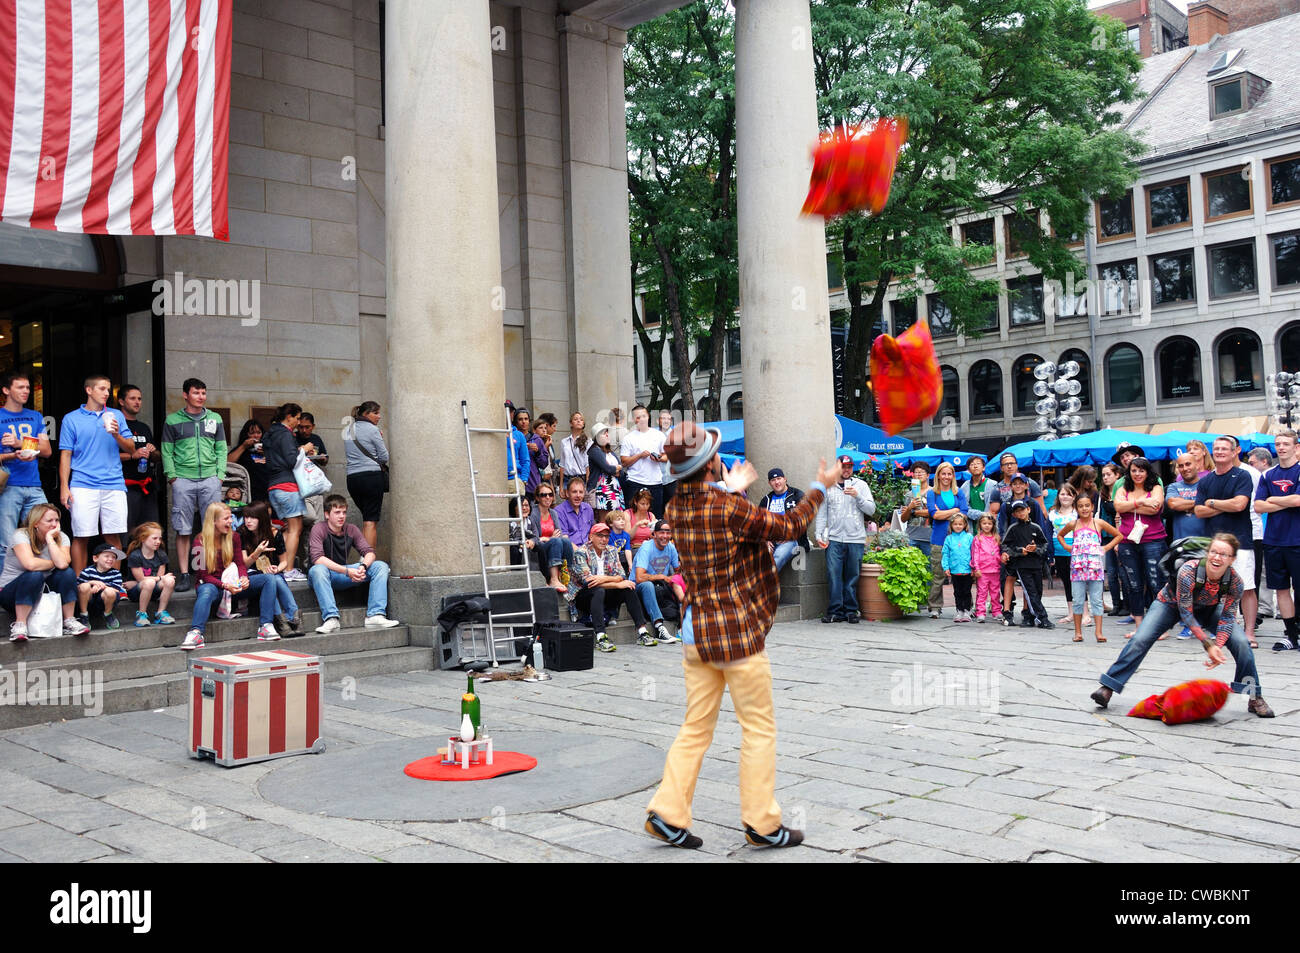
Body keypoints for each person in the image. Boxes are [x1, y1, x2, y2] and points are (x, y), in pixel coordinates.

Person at [643, 423, 835, 851]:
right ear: (709, 464)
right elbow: (788, 525)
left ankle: (667, 812)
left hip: (696, 631)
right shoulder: (727, 507)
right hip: (736, 634)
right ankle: (762, 823)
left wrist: (730, 490)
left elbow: (717, 517)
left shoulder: (675, 508)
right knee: (758, 728)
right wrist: (818, 488)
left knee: (695, 727)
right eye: (715, 453)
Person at [1090, 533, 1274, 718]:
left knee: (1242, 643)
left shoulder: (1235, 582)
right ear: (1207, 553)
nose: (1217, 558)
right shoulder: (1188, 571)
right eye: (1214, 552)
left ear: (1232, 559)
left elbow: (1227, 617)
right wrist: (1207, 644)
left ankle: (1254, 696)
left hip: (1209, 609)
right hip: (1170, 605)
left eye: (1224, 554)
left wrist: (1218, 646)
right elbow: (1186, 612)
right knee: (1140, 639)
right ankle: (1108, 687)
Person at [59, 375, 136, 577]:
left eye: (108, 389)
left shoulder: (116, 415)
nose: (106, 393)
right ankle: (78, 582)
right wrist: (64, 487)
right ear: (89, 390)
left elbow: (131, 448)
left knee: (113, 535)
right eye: (102, 389)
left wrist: (116, 434)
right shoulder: (71, 418)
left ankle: (115, 582)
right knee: (82, 535)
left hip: (114, 483)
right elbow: (65, 454)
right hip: (82, 483)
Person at [180, 502, 279, 649]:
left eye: (230, 518)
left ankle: (265, 625)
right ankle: (196, 632)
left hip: (233, 584)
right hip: (213, 586)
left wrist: (244, 577)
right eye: (226, 518)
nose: (231, 521)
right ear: (214, 521)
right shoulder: (198, 541)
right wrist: (225, 586)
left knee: (269, 579)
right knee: (206, 590)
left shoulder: (235, 537)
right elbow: (201, 575)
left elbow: (240, 564)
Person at [161, 378, 227, 592]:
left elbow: (221, 448)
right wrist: (172, 477)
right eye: (196, 393)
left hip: (210, 478)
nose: (201, 397)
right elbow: (166, 451)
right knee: (183, 529)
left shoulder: (214, 418)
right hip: (183, 479)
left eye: (203, 393)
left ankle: (210, 571)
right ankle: (185, 574)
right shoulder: (172, 421)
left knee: (214, 527)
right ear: (185, 395)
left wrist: (220, 475)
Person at [1194, 436, 1258, 649]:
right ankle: (1224, 630)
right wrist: (1224, 505)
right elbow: (1198, 511)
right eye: (1217, 448)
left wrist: (1211, 502)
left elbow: (1240, 505)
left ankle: (1249, 633)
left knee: (1246, 587)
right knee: (1217, 589)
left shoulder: (1243, 476)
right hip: (1214, 543)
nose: (1220, 452)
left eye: (1224, 449)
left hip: (1241, 541)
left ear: (1234, 452)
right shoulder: (1205, 481)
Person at [308, 494, 400, 632]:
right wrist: (346, 571)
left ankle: (375, 615)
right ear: (327, 515)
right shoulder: (318, 529)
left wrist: (362, 567)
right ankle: (331, 619)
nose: (341, 516)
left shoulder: (351, 529)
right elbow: (318, 559)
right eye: (337, 512)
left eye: (344, 512)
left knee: (380, 566)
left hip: (345, 573)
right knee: (318, 569)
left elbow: (369, 552)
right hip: (325, 575)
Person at [0, 503, 87, 640]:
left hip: (43, 589)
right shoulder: (21, 535)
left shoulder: (61, 537)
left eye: (57, 520)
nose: (54, 524)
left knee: (67, 573)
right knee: (34, 575)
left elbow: (64, 565)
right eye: (49, 521)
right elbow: (30, 564)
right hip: (12, 592)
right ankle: (20, 625)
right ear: (36, 523)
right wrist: (54, 563)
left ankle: (69, 620)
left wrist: (50, 540)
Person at [565, 522, 653, 651]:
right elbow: (589, 582)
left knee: (628, 587)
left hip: (604, 592)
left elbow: (621, 575)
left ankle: (642, 632)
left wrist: (604, 578)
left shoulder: (611, 550)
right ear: (591, 537)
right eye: (600, 535)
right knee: (599, 590)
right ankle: (601, 636)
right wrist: (617, 584)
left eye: (606, 536)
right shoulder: (581, 553)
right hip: (583, 597)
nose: (604, 539)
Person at [814, 454, 876, 624]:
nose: (846, 470)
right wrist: (818, 534)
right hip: (834, 538)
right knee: (833, 575)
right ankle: (835, 611)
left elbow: (871, 509)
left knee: (852, 575)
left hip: (855, 538)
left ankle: (850, 610)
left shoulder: (861, 485)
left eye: (849, 467)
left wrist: (858, 496)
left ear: (852, 468)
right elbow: (822, 512)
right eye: (843, 467)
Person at [1254, 429, 1300, 652]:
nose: (1281, 447)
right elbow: (1258, 505)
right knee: (1281, 590)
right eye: (1278, 444)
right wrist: (1285, 501)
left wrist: (1274, 499)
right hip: (1273, 540)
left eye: (1286, 444)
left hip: (1297, 539)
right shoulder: (1268, 475)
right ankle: (1291, 635)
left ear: (1296, 447)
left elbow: (1299, 500)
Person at [1114, 456, 1168, 638]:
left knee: (1156, 583)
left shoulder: (1156, 487)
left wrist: (1129, 507)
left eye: (1141, 470)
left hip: (1153, 541)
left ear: (1148, 472)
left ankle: (1160, 627)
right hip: (1127, 542)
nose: (1137, 474)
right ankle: (1139, 626)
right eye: (1134, 470)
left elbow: (1156, 508)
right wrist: (1143, 502)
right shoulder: (1123, 488)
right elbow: (1118, 506)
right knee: (1134, 585)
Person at [263, 403, 316, 581]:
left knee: (287, 528)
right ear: (289, 417)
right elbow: (292, 460)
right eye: (298, 418)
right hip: (287, 486)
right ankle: (288, 570)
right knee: (296, 528)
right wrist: (305, 449)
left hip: (274, 487)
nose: (299, 422)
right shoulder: (285, 433)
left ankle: (282, 566)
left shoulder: (270, 432)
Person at [0, 371, 50, 558]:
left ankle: (42, 583)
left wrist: (19, 443)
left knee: (47, 536)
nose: (26, 391)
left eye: (28, 387)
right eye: (20, 387)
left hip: (34, 485)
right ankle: (5, 586)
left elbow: (46, 450)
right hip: (7, 486)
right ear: (6, 390)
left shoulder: (35, 416)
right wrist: (13, 455)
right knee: (6, 544)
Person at [1057, 494, 1119, 643]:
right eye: (1080, 506)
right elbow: (1060, 535)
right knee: (1078, 599)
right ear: (1076, 508)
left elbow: (1118, 535)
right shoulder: (1073, 524)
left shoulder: (1099, 523)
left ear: (1092, 506)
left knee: (1097, 600)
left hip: (1095, 568)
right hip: (1078, 568)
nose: (1084, 509)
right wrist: (1066, 547)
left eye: (1087, 505)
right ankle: (1078, 632)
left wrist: (1106, 547)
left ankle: (1098, 632)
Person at [238, 500, 303, 636]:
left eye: (252, 517)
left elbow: (284, 562)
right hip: (252, 575)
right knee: (271, 580)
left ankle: (294, 619)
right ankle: (281, 622)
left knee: (276, 579)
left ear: (261, 518)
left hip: (271, 572)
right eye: (246, 517)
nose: (248, 521)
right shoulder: (241, 533)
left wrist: (277, 569)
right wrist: (257, 552)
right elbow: (244, 565)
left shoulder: (274, 533)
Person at [343, 401, 389, 550]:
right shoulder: (372, 429)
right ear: (365, 414)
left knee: (367, 519)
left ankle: (364, 558)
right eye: (375, 413)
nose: (379, 416)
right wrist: (378, 437)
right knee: (370, 521)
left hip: (352, 478)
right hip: (371, 477)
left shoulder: (348, 429)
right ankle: (369, 563)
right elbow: (384, 456)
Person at [926, 461, 967, 618]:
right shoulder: (932, 493)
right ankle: (935, 607)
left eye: (949, 474)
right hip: (939, 539)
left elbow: (964, 513)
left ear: (953, 476)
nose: (946, 477)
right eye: (943, 473)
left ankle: (964, 606)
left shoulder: (958, 492)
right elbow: (934, 514)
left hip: (959, 541)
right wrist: (954, 510)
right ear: (938, 475)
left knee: (962, 574)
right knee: (938, 575)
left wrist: (944, 512)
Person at [1001, 499, 1051, 628]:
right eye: (1017, 511)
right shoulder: (1013, 528)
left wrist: (1036, 550)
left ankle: (1029, 616)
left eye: (1022, 509)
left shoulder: (1036, 527)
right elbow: (1005, 546)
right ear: (1014, 515)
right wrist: (1018, 551)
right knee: (1030, 591)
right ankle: (1042, 618)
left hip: (1036, 564)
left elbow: (1044, 543)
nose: (1021, 513)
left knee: (1038, 590)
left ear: (1028, 509)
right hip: (1022, 565)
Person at [118, 384, 160, 531]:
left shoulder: (144, 427)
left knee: (150, 530)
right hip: (125, 486)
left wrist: (153, 452)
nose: (137, 402)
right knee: (126, 530)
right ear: (121, 401)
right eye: (132, 398)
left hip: (147, 486)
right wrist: (132, 455)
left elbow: (156, 457)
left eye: (140, 399)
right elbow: (107, 456)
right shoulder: (116, 427)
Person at [634, 519, 684, 642]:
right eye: (661, 532)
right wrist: (661, 576)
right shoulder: (646, 548)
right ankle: (659, 627)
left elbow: (678, 570)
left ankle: (684, 627)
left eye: (668, 532)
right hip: (638, 587)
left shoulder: (671, 547)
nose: (665, 536)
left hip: (660, 587)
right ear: (654, 534)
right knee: (647, 585)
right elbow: (639, 577)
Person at [123, 522, 176, 627]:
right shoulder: (135, 556)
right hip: (136, 592)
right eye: (154, 538)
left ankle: (161, 613)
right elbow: (141, 579)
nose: (158, 542)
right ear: (143, 539)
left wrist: (161, 578)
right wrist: (160, 578)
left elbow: (159, 580)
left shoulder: (161, 555)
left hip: (153, 590)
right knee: (149, 582)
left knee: (170, 580)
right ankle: (141, 614)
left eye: (160, 538)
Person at [619, 404, 667, 514]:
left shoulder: (659, 435)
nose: (642, 419)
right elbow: (624, 461)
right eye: (638, 417)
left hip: (655, 481)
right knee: (633, 515)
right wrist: (639, 455)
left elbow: (668, 456)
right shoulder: (629, 438)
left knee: (655, 516)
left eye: (644, 416)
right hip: (635, 481)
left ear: (648, 416)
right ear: (634, 420)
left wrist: (659, 458)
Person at [529, 483, 575, 593]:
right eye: (544, 495)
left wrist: (548, 538)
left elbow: (559, 533)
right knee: (556, 541)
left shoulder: (553, 513)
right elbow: (535, 538)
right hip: (539, 549)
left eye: (550, 494)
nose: (548, 497)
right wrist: (548, 538)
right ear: (537, 498)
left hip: (553, 545)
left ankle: (568, 575)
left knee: (566, 541)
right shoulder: (533, 513)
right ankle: (553, 579)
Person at [759, 468, 807, 572]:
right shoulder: (766, 500)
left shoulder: (797, 495)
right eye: (773, 480)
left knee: (777, 558)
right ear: (769, 483)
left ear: (785, 479)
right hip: (771, 541)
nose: (777, 482)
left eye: (779, 478)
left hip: (792, 540)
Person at [76, 542, 127, 630]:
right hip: (89, 601)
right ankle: (84, 615)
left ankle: (108, 614)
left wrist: (101, 586)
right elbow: (78, 587)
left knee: (110, 591)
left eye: (113, 557)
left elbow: (117, 589)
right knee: (84, 586)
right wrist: (91, 583)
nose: (110, 559)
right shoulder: (87, 571)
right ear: (95, 558)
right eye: (107, 556)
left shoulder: (116, 573)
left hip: (105, 602)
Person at [1100, 462, 1127, 617]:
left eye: (1108, 474)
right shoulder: (1102, 495)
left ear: (1118, 475)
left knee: (1123, 572)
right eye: (1103, 475)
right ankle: (1116, 603)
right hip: (1106, 537)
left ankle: (1127, 604)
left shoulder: (1122, 492)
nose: (1105, 477)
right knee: (1111, 573)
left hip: (1121, 535)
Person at [1048, 483, 1078, 625]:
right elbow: (1049, 532)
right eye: (1062, 494)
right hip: (1058, 549)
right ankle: (1071, 613)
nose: (1065, 497)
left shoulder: (1077, 512)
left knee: (1079, 581)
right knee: (1066, 581)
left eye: (1068, 494)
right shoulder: (1052, 513)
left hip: (1076, 549)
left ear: (1074, 497)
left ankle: (1083, 612)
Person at [941, 512, 974, 622]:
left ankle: (967, 610)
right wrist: (946, 567)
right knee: (957, 591)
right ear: (951, 525)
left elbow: (974, 552)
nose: (958, 526)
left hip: (967, 570)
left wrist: (974, 566)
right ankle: (959, 610)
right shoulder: (949, 539)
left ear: (965, 525)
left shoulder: (969, 537)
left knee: (966, 591)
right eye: (955, 524)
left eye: (960, 524)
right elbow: (945, 553)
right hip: (955, 570)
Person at [586, 422, 625, 511]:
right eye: (604, 433)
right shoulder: (594, 450)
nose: (607, 434)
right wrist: (616, 468)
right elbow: (608, 469)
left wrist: (616, 469)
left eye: (607, 432)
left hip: (615, 488)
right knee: (604, 519)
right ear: (597, 437)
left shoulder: (610, 452)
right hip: (602, 489)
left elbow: (621, 471)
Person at [970, 515, 1002, 623]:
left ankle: (996, 611)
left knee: (995, 592)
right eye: (984, 523)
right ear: (980, 525)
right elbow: (975, 554)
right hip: (982, 571)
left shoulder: (997, 538)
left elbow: (999, 553)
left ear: (993, 525)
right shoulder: (978, 538)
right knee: (982, 593)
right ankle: (980, 612)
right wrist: (976, 568)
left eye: (989, 523)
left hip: (995, 570)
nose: (987, 526)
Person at [228, 420, 270, 502]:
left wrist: (267, 452)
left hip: (268, 490)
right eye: (252, 433)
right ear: (246, 434)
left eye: (259, 433)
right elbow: (228, 462)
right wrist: (243, 446)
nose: (256, 436)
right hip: (250, 492)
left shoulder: (268, 448)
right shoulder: (242, 449)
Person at [553, 477, 596, 552]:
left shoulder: (588, 508)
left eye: (581, 492)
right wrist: (582, 553)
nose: (578, 495)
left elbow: (592, 532)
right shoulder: (559, 511)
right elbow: (564, 539)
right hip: (571, 552)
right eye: (574, 492)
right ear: (567, 493)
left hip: (589, 550)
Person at [898, 462, 932, 554]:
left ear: (928, 475)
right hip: (911, 536)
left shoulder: (934, 492)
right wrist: (909, 508)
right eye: (916, 472)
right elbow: (903, 519)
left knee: (928, 566)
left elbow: (934, 513)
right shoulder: (909, 495)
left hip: (928, 536)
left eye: (922, 472)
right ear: (913, 475)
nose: (919, 474)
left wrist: (913, 512)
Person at [558, 412, 590, 489]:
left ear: (583, 424)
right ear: (571, 423)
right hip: (567, 478)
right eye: (575, 419)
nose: (578, 421)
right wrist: (561, 486)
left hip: (581, 478)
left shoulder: (588, 441)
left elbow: (588, 464)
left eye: (581, 420)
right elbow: (562, 464)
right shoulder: (564, 442)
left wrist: (588, 484)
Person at [527, 413, 555, 496]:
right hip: (538, 478)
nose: (544, 430)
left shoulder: (547, 442)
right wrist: (545, 447)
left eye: (545, 428)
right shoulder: (532, 442)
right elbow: (539, 462)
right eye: (541, 428)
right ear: (534, 430)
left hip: (549, 478)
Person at [959, 455, 993, 522]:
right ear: (968, 470)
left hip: (988, 524)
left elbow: (993, 509)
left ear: (983, 468)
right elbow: (964, 508)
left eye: (978, 463)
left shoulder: (992, 484)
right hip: (970, 526)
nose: (975, 466)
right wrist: (982, 515)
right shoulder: (964, 486)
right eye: (972, 464)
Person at [507, 406, 531, 496]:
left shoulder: (518, 435)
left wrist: (523, 479)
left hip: (516, 479)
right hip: (497, 479)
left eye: (510, 411)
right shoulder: (496, 431)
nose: (524, 422)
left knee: (519, 509)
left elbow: (525, 460)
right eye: (520, 419)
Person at [658, 410, 678, 509]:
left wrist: (661, 457)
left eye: (668, 419)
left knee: (673, 507)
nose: (666, 421)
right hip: (657, 479)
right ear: (658, 421)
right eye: (663, 418)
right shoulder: (654, 435)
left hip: (672, 478)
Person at [605, 510, 634, 574]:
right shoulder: (609, 535)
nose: (622, 521)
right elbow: (613, 551)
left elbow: (628, 549)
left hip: (621, 555)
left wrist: (630, 565)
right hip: (611, 557)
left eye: (623, 519)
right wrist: (619, 566)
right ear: (611, 523)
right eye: (618, 519)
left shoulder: (626, 535)